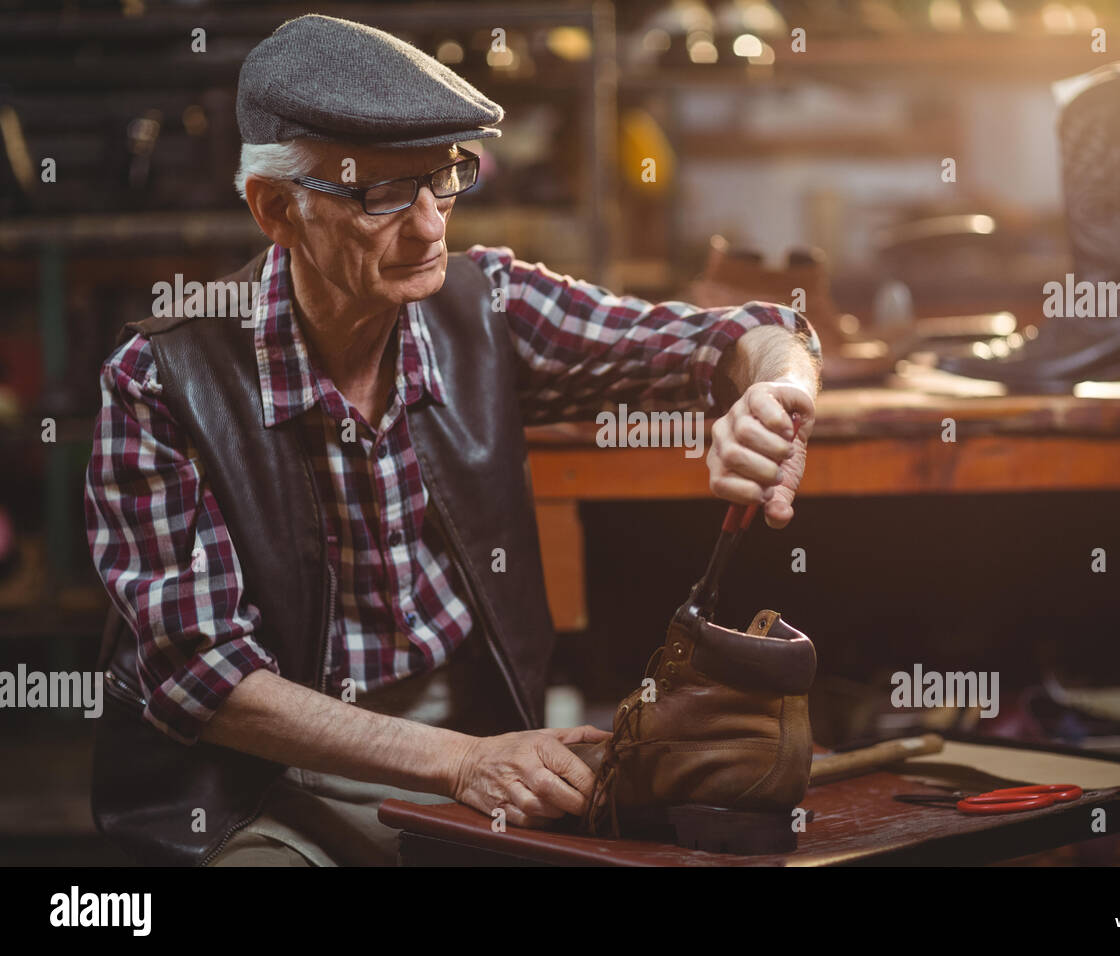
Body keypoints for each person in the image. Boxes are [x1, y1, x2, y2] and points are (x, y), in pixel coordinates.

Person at [84, 14, 820, 865]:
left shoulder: (488, 308)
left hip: (484, 768)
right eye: (385, 193)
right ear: (277, 209)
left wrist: (777, 392)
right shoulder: (160, 381)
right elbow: (205, 681)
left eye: (445, 177)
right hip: (265, 790)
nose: (432, 226)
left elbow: (750, 331)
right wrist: (461, 761)